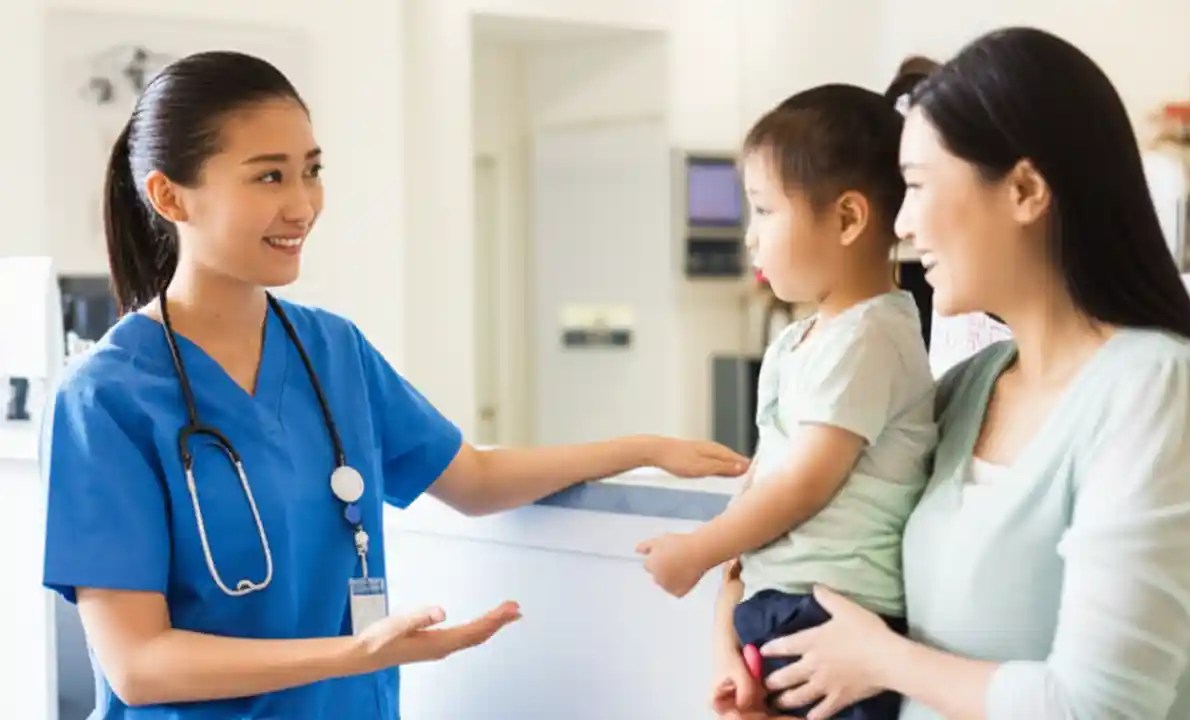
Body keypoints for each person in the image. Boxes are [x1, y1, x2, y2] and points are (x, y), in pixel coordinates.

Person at [41, 50, 748, 720]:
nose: (303, 205)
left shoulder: (331, 350)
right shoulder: (106, 396)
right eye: (268, 176)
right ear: (168, 195)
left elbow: (473, 478)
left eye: (311, 171)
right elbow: (138, 662)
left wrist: (642, 447)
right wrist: (355, 652)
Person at [740, 27, 1190, 720]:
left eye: (917, 187)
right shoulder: (964, 391)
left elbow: (1097, 708)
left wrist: (881, 660)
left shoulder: (1158, 389)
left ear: (1025, 189)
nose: (907, 224)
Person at [637, 75, 939, 720]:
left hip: (835, 613)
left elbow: (804, 484)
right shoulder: (802, 339)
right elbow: (768, 477)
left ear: (850, 217)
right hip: (780, 603)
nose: (751, 235)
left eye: (766, 210)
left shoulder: (871, 337)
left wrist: (699, 549)